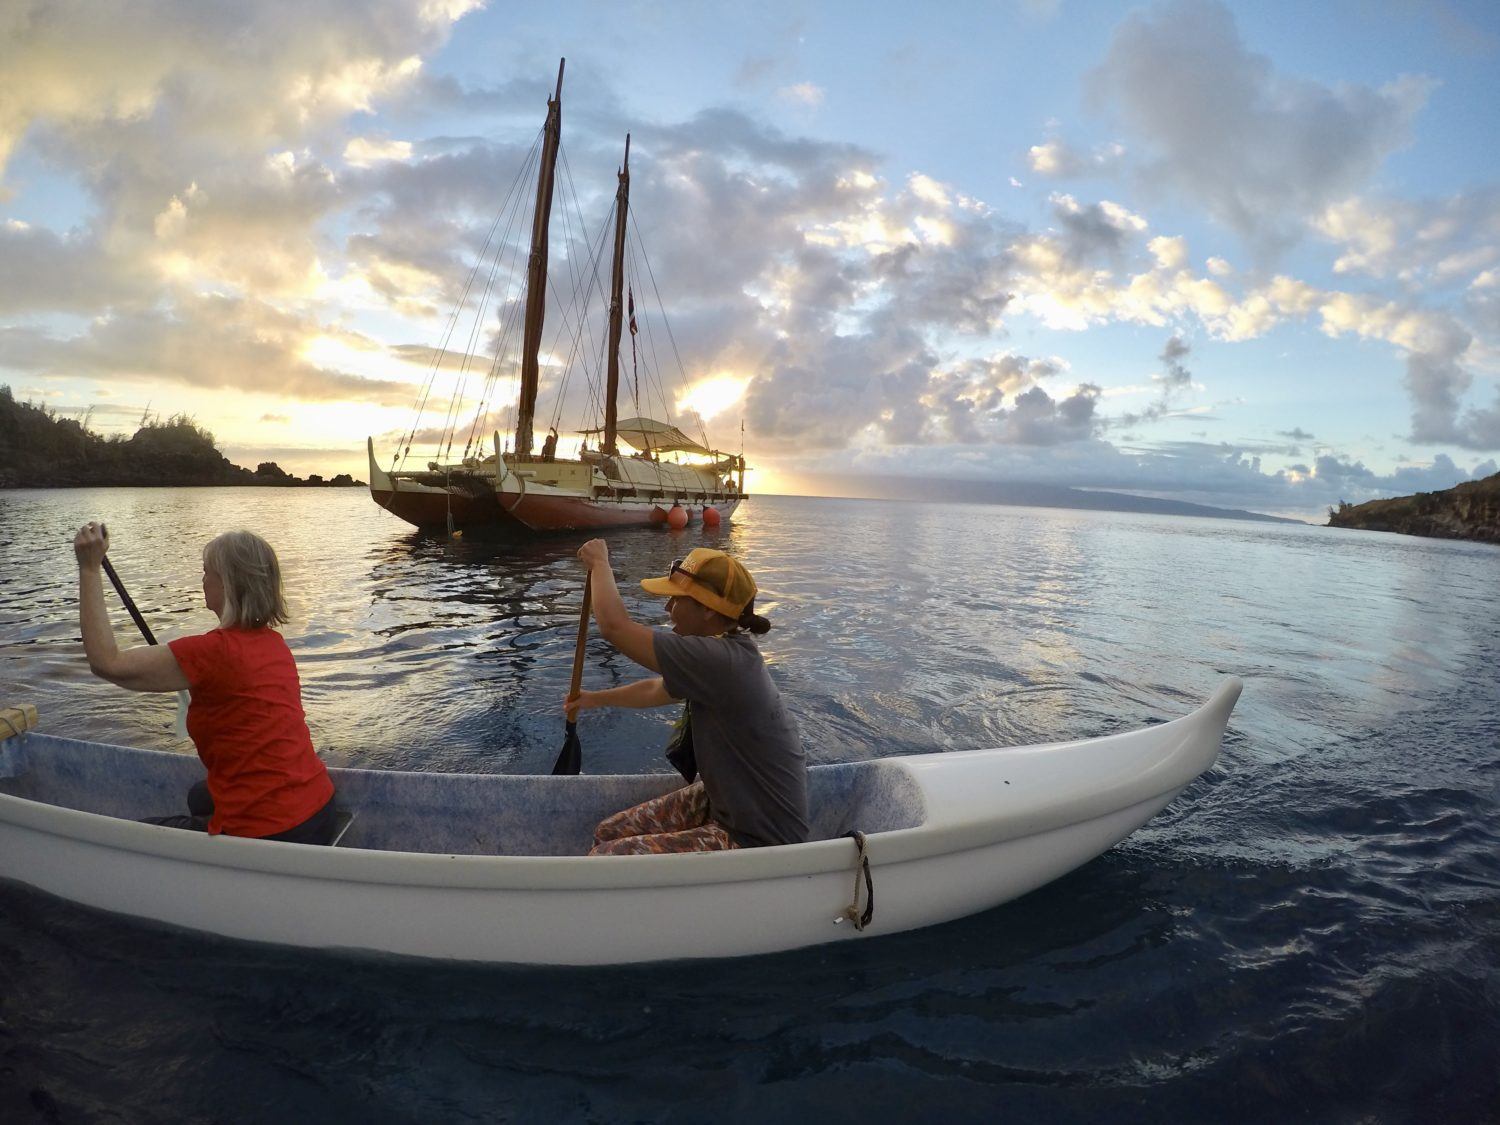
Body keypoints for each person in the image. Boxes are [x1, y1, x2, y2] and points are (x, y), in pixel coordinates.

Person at [73, 523, 338, 844]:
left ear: (228, 583)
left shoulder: (211, 652)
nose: (202, 580)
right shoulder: (275, 645)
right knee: (200, 796)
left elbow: (106, 662)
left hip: (270, 828)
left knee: (127, 840)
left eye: (206, 572)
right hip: (319, 804)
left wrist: (89, 569)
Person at [567, 542, 809, 855]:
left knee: (607, 856)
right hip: (727, 802)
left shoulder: (720, 660)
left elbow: (615, 627)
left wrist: (600, 563)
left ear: (708, 608)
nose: (667, 609)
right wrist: (595, 699)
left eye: (676, 598)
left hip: (760, 839)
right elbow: (659, 689)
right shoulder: (721, 653)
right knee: (608, 831)